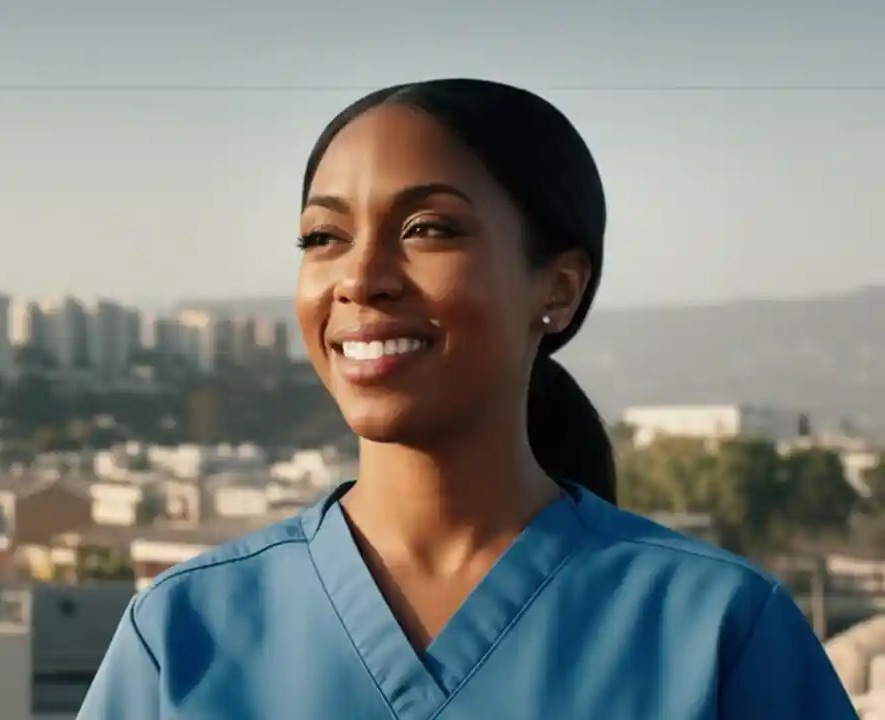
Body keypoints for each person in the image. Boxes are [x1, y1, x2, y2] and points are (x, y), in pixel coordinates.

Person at [78, 79, 855, 719]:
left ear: (558, 287)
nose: (360, 276)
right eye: (324, 237)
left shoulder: (721, 632)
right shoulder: (180, 636)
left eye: (428, 228)